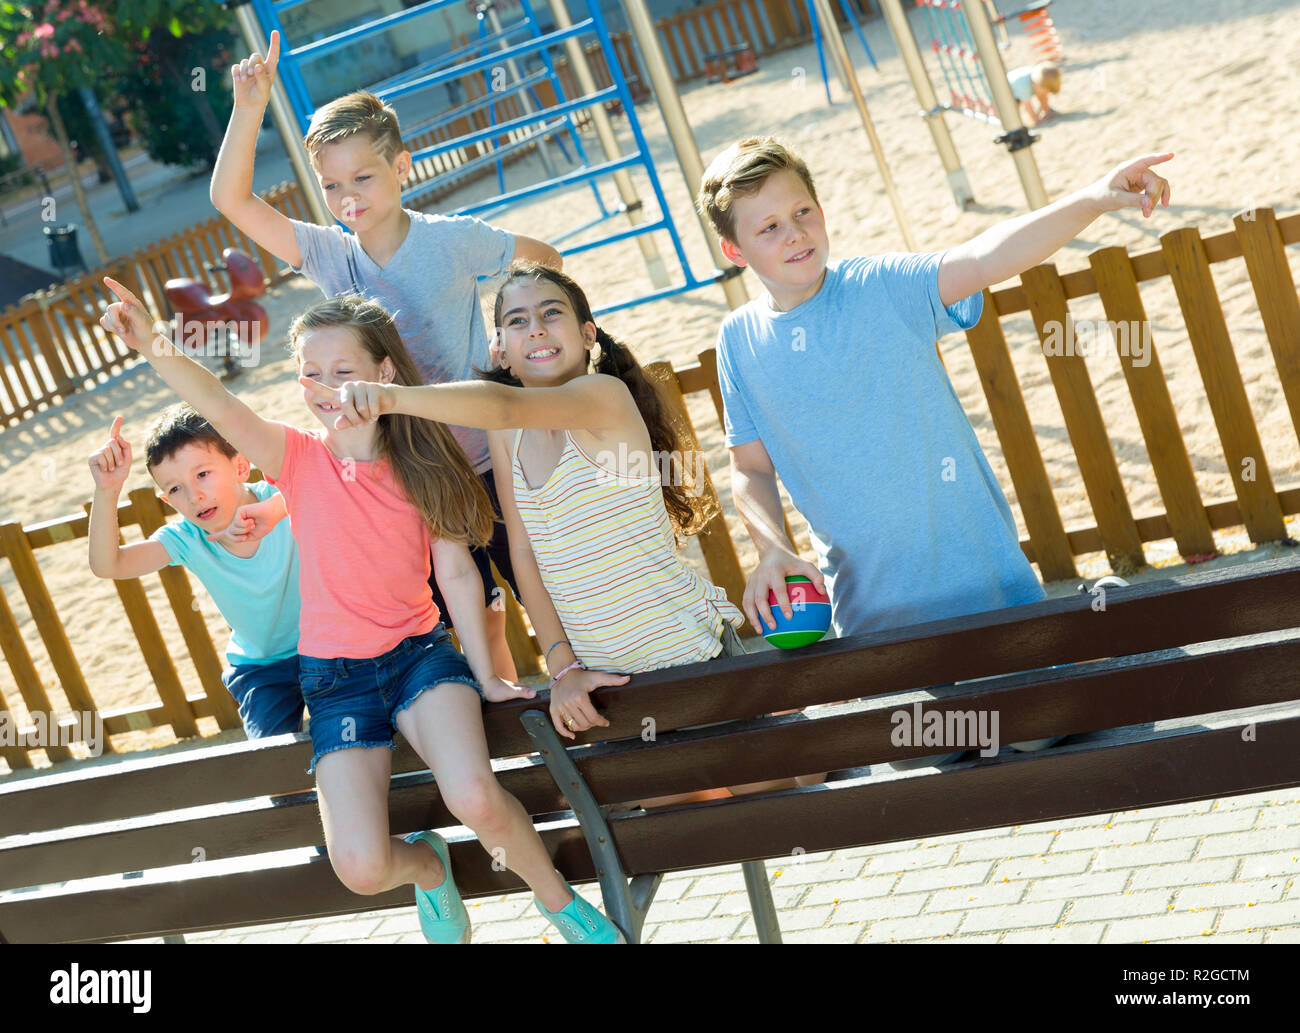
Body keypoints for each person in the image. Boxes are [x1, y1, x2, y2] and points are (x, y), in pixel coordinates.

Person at [97, 278, 626, 944]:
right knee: (360, 864)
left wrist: (489, 671)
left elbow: (458, 572)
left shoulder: (422, 461)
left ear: (383, 372)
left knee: (473, 795)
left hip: (419, 661)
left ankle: (558, 902)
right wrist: (152, 343)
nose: (325, 385)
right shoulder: (295, 458)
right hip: (334, 680)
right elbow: (219, 404)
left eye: (342, 371)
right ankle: (431, 868)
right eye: (310, 372)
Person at [695, 136, 1171, 763]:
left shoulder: (881, 287)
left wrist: (1092, 199)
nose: (795, 234)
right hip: (878, 629)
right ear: (734, 250)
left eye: (803, 211)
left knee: (1033, 732)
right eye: (770, 227)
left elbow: (984, 257)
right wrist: (771, 550)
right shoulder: (738, 342)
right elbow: (750, 468)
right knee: (922, 753)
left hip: (986, 597)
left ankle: (1094, 625)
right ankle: (1063, 655)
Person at [302, 261, 819, 803]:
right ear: (501, 346)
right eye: (518, 321)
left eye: (552, 314)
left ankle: (811, 757)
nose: (538, 329)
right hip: (606, 684)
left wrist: (390, 398)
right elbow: (524, 556)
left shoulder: (603, 396)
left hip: (690, 656)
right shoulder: (509, 436)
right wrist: (562, 664)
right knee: (682, 818)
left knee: (779, 801)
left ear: (587, 334)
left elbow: (502, 402)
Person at [210, 30, 563, 681]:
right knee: (477, 617)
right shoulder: (329, 255)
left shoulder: (452, 239)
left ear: (402, 167)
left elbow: (543, 258)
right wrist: (249, 105)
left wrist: (511, 335)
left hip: (495, 458)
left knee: (551, 594)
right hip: (418, 473)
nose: (349, 196)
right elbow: (231, 201)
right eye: (332, 184)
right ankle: (521, 719)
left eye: (364, 177)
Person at [87, 404, 302, 739]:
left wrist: (282, 507)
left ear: (241, 466)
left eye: (202, 474)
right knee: (272, 765)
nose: (194, 495)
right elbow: (107, 565)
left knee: (344, 735)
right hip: (261, 668)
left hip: (328, 647)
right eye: (175, 489)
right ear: (168, 501)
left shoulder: (283, 499)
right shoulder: (186, 538)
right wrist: (107, 490)